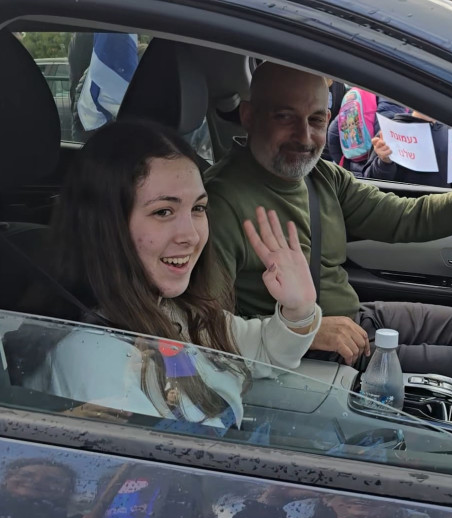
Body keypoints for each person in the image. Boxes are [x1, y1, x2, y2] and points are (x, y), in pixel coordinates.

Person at [205, 62, 452, 405]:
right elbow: (204, 330)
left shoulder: (321, 177)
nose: (304, 136)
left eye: (315, 119)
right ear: (249, 116)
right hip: (316, 357)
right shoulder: (219, 204)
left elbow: (407, 216)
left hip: (358, 320)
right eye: (284, 117)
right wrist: (299, 331)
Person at [25, 120, 321, 428]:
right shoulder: (93, 356)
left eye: (198, 208)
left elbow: (260, 352)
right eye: (163, 212)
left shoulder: (172, 310)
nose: (191, 235)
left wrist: (298, 310)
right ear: (106, 226)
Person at [363, 109, 452, 188]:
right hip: (402, 214)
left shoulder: (451, 134)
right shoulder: (391, 131)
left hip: (441, 214)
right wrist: (384, 161)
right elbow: (371, 183)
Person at [0, 458, 81, 518]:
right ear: (7, 478)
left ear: (67, 491)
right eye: (26, 475)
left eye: (52, 480)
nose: (37, 481)